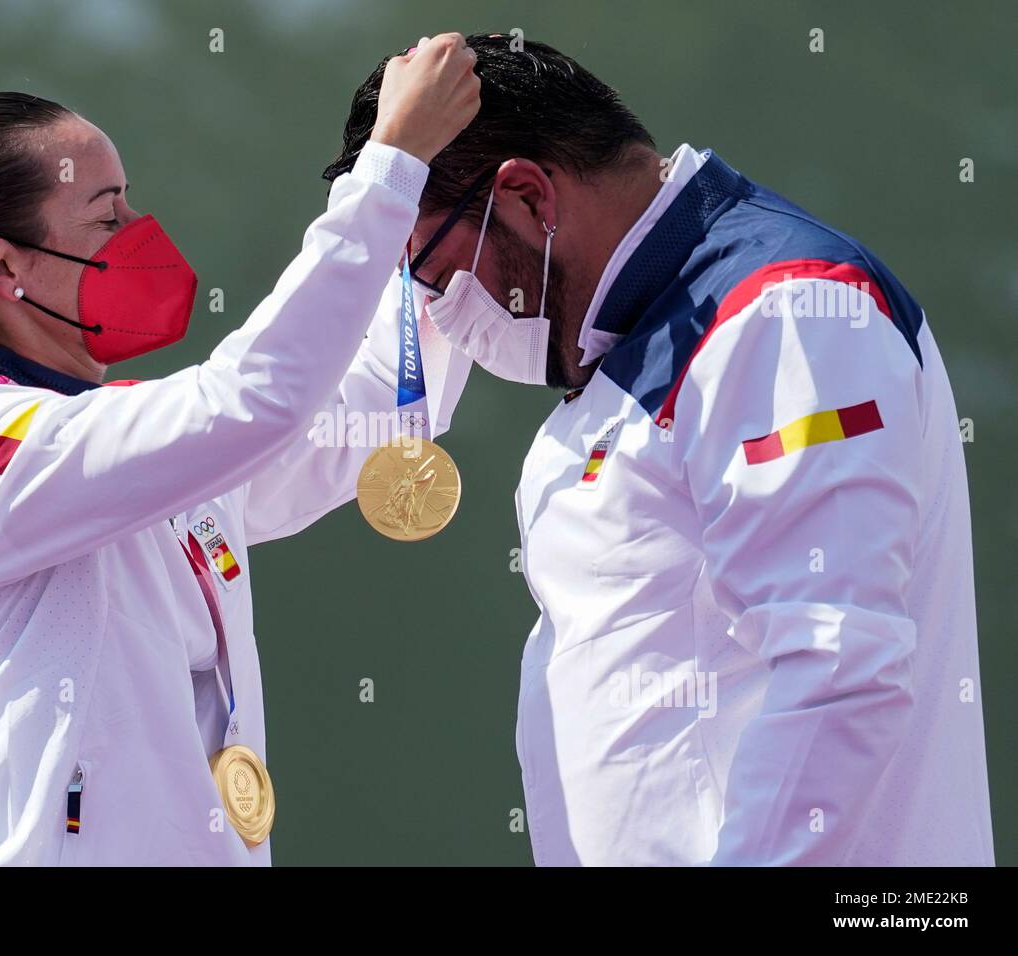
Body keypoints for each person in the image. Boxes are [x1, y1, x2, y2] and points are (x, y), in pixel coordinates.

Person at [0, 34, 480, 865]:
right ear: (0, 264)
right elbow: (255, 400)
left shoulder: (139, 440)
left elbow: (379, 412)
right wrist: (386, 169)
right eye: (106, 213)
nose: (138, 231)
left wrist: (437, 231)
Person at [326, 35, 994, 865]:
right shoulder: (634, 341)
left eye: (425, 267)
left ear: (530, 199)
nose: (429, 306)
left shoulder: (786, 312)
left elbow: (838, 675)